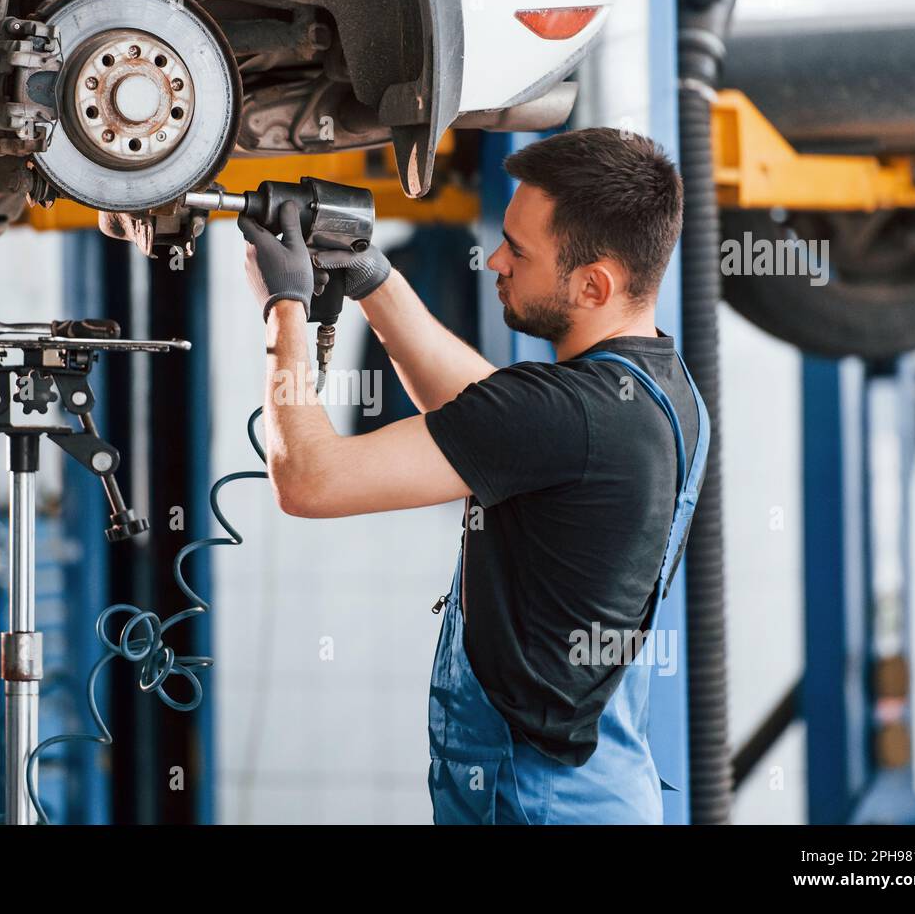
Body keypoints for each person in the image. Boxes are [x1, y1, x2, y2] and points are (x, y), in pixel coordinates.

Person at [237, 127, 709, 824]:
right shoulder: (662, 390)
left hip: (541, 805)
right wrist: (374, 278)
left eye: (518, 251)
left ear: (594, 283)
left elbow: (309, 480)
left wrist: (285, 310)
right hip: (603, 787)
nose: (494, 260)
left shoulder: (568, 415)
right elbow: (492, 420)